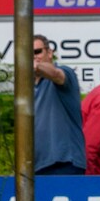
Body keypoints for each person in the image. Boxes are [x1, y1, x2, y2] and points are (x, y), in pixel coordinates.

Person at [33, 35, 85, 175]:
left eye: (37, 52)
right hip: (37, 166)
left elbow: (56, 74)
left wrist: (38, 67)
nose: (33, 57)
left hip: (65, 163)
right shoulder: (25, 88)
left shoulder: (65, 73)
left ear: (49, 53)